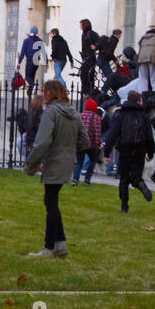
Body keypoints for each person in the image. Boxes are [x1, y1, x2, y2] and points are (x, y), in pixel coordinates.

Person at [24, 79, 88, 257]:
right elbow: (85, 141)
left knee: (50, 203)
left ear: (51, 93)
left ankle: (49, 247)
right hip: (67, 163)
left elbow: (42, 142)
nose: (43, 94)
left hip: (54, 161)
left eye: (45, 91)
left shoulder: (51, 113)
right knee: (51, 201)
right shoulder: (73, 113)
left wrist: (31, 163)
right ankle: (60, 244)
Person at [101, 91, 155, 212]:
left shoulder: (121, 114)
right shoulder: (144, 116)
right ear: (138, 101)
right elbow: (149, 136)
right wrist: (150, 152)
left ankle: (124, 205)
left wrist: (107, 152)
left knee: (124, 178)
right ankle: (139, 183)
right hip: (140, 149)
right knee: (136, 175)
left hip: (125, 149)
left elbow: (113, 134)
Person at [71, 97, 102, 186]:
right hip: (91, 143)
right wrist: (99, 143)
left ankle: (75, 179)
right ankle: (87, 179)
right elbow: (98, 132)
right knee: (92, 160)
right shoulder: (96, 118)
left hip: (80, 143)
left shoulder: (79, 116)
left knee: (79, 162)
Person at [136, 27, 155, 93]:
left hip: (141, 58)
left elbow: (139, 48)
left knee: (143, 78)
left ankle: (142, 95)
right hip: (153, 57)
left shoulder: (143, 38)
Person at [79, 19, 100, 94]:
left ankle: (89, 92)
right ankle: (85, 92)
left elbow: (99, 41)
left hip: (90, 58)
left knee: (88, 75)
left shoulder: (91, 33)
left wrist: (95, 46)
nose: (80, 27)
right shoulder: (83, 34)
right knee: (83, 75)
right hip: (85, 57)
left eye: (81, 25)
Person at [21, 91, 43, 159]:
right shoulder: (39, 111)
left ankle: (27, 159)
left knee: (20, 143)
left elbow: (31, 124)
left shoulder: (33, 110)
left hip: (32, 134)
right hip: (36, 133)